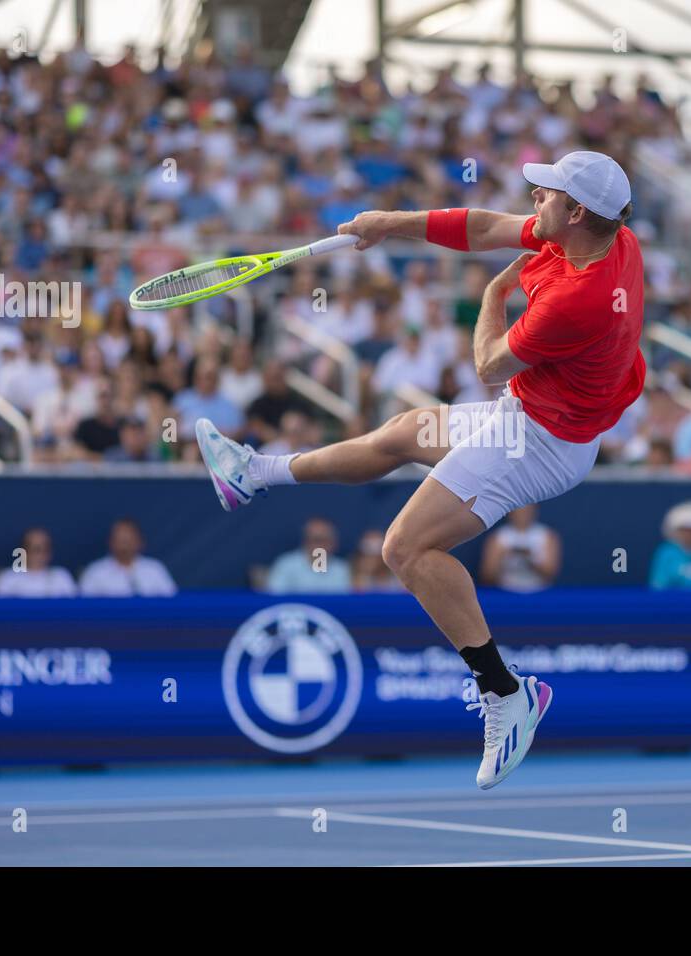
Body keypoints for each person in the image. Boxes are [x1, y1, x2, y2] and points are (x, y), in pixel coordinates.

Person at [196, 151, 642, 788]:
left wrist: (491, 294)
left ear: (576, 212)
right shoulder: (608, 236)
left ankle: (505, 694)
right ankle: (254, 472)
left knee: (404, 547)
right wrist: (387, 222)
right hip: (534, 416)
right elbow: (485, 227)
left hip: (535, 441)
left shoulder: (579, 298)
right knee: (402, 434)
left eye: (547, 193)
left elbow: (487, 363)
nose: (533, 195)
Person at [78, 519, 177, 596]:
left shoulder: (154, 569)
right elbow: (85, 607)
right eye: (121, 539)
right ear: (110, 542)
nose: (125, 544)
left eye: (129, 539)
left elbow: (171, 602)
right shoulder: (95, 572)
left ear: (140, 542)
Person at [479, 505, 561, 592]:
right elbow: (487, 575)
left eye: (526, 511)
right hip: (505, 592)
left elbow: (551, 573)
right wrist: (503, 556)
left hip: (539, 592)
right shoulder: (498, 537)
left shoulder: (547, 535)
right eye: (518, 511)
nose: (522, 514)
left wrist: (529, 559)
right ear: (510, 512)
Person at [266, 517, 352, 594]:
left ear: (334, 543)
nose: (321, 545)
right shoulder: (286, 565)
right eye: (316, 540)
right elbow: (274, 599)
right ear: (305, 541)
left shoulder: (342, 569)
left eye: (325, 540)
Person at [0, 527, 78, 597]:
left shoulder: (61, 576)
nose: (40, 554)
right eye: (35, 549)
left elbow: (75, 609)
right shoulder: (9, 577)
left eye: (45, 549)